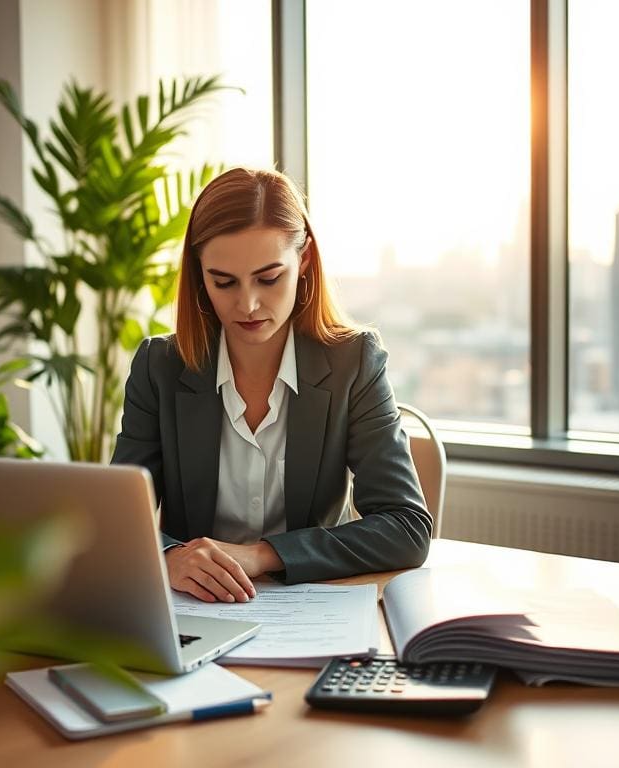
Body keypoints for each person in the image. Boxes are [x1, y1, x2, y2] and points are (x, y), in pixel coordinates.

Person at [111, 167, 431, 603]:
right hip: (195, 610)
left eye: (268, 277)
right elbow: (119, 522)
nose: (247, 304)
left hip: (312, 605)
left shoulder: (352, 362)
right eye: (223, 281)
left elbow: (406, 526)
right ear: (199, 275)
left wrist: (262, 556)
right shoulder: (159, 366)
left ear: (303, 261)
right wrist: (170, 557)